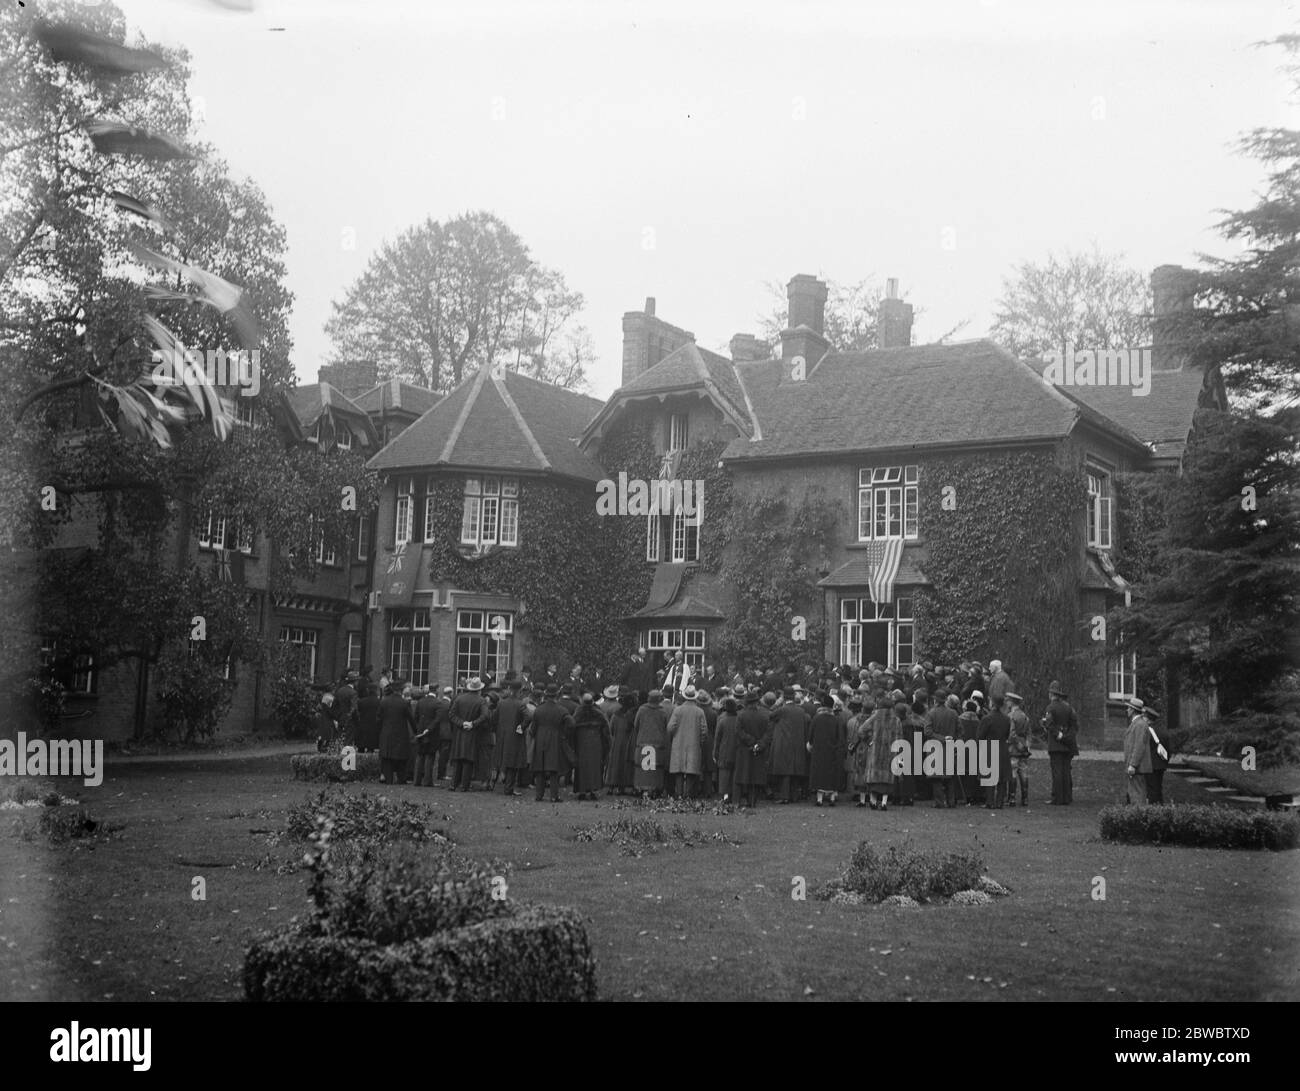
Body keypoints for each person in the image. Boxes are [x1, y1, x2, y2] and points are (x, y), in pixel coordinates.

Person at [529, 683, 575, 803]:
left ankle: (539, 795)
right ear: (557, 695)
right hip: (555, 739)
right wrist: (564, 733)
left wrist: (535, 735)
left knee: (540, 768)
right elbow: (571, 724)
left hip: (540, 738)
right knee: (554, 768)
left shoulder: (539, 709)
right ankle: (554, 796)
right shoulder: (561, 710)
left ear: (546, 695)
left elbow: (532, 729)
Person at [861, 695, 904, 810]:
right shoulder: (897, 720)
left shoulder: (875, 717)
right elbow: (900, 738)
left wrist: (869, 741)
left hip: (875, 751)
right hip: (891, 752)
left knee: (873, 780)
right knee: (887, 780)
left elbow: (862, 730)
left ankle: (873, 801)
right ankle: (884, 802)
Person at [768, 687, 810, 804]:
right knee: (795, 772)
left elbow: (770, 715)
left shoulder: (782, 710)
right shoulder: (801, 711)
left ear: (784, 698)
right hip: (798, 744)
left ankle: (784, 796)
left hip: (784, 744)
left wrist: (777, 703)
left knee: (785, 772)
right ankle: (794, 796)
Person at [667, 686, 709, 799]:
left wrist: (675, 737)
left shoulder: (678, 710)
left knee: (679, 771)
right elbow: (704, 731)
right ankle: (688, 795)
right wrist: (700, 741)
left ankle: (679, 794)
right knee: (691, 771)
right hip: (694, 744)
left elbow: (670, 728)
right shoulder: (700, 712)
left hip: (679, 744)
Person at [734, 689, 772, 808]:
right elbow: (768, 733)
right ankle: (752, 801)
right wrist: (759, 744)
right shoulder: (764, 715)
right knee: (755, 777)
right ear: (756, 702)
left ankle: (738, 800)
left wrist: (750, 741)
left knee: (742, 775)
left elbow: (739, 732)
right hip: (758, 750)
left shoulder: (741, 715)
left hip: (744, 749)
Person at [448, 677, 488, 792]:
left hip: (459, 733)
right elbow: (485, 715)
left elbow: (451, 714)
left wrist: (461, 723)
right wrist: (473, 724)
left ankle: (453, 784)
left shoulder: (459, 699)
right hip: (472, 733)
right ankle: (464, 785)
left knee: (458, 759)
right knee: (468, 760)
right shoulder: (481, 701)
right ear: (479, 689)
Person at [1044, 680, 1079, 805]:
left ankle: (1057, 798)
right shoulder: (1069, 707)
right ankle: (1067, 797)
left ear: (1051, 694)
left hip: (1055, 744)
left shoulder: (1050, 707)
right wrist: (1066, 736)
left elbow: (1049, 724)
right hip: (1068, 743)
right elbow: (1075, 725)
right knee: (1066, 771)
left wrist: (1058, 734)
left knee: (1057, 772)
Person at [808, 692, 846, 806]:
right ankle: (832, 797)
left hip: (819, 750)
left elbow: (810, 736)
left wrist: (811, 744)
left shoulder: (816, 718)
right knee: (832, 774)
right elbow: (841, 738)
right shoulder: (837, 720)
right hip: (833, 751)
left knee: (819, 773)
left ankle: (819, 799)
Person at [493, 679, 530, 796]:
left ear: (509, 689)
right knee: (513, 763)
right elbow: (528, 717)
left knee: (503, 759)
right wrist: (521, 727)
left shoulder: (501, 703)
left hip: (502, 736)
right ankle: (509, 788)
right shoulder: (521, 704)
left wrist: (498, 730)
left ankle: (500, 783)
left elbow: (494, 718)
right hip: (515, 736)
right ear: (519, 691)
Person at [571, 693, 611, 801]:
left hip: (581, 742)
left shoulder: (578, 713)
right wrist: (607, 745)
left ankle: (582, 791)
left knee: (582, 767)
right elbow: (606, 730)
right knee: (595, 766)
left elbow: (571, 728)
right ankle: (594, 790)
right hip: (595, 741)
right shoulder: (599, 713)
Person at [632, 690, 669, 799]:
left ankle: (642, 788)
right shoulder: (662, 712)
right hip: (657, 743)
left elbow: (636, 724)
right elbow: (665, 725)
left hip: (643, 742)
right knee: (655, 768)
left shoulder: (642, 710)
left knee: (643, 768)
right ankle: (654, 788)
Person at [977, 696, 1013, 808]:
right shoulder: (1006, 719)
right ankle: (999, 802)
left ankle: (990, 801)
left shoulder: (987, 719)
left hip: (989, 747)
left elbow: (980, 736)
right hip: (1002, 747)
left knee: (989, 777)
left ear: (992, 703)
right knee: (1002, 777)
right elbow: (1007, 735)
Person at [926, 692, 960, 808]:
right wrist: (952, 739)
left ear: (935, 700)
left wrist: (941, 738)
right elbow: (960, 730)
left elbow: (928, 732)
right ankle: (951, 801)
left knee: (936, 778)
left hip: (935, 747)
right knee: (949, 777)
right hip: (950, 747)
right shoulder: (953, 713)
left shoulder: (931, 713)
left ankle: (939, 802)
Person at [377, 683, 414, 785]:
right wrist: (416, 731)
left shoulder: (384, 702)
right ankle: (401, 779)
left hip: (387, 732)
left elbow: (378, 718)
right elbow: (411, 719)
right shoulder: (404, 703)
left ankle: (388, 779)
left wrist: (382, 729)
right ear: (401, 691)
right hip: (401, 733)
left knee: (387, 757)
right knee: (401, 757)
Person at [605, 687, 639, 795]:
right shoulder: (634, 715)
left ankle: (611, 786)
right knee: (626, 765)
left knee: (615, 764)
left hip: (617, 742)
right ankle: (623, 786)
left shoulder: (616, 714)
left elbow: (611, 729)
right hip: (629, 742)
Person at [1123, 697, 1152, 805]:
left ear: (1133, 710)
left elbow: (1139, 746)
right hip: (1136, 766)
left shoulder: (1139, 724)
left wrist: (1133, 765)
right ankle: (1137, 815)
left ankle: (1139, 816)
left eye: (1128, 708)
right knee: (1134, 793)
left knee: (1138, 794)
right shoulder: (1137, 723)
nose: (1127, 710)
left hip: (1138, 767)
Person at [712, 692, 740, 804]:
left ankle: (725, 796)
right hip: (737, 751)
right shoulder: (739, 719)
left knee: (724, 776)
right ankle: (735, 796)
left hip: (724, 751)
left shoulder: (722, 720)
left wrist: (715, 753)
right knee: (734, 775)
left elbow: (717, 738)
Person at [413, 684, 443, 787]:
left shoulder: (421, 701)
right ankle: (427, 781)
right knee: (430, 757)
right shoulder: (438, 703)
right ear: (437, 691)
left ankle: (416, 780)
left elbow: (415, 717)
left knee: (420, 756)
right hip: (432, 734)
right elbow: (438, 719)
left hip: (420, 732)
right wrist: (429, 729)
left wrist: (420, 729)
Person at [1005, 692, 1031, 807]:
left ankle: (1012, 798)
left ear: (1011, 702)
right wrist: (1026, 745)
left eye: (1008, 700)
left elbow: (1011, 734)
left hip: (1014, 748)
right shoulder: (1025, 716)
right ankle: (1025, 798)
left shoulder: (1011, 716)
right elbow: (1029, 734)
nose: (1007, 702)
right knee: (1024, 773)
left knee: (1013, 772)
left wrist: (1016, 744)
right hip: (1024, 747)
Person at [957, 698, 983, 805]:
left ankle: (963, 795)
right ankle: (972, 795)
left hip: (962, 748)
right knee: (972, 773)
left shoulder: (960, 720)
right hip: (975, 749)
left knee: (962, 772)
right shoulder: (979, 722)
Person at [1144, 707, 1171, 803]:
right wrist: (1164, 762)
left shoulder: (1147, 731)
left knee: (1151, 790)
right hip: (1161, 765)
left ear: (1147, 718)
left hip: (1150, 765)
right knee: (1158, 788)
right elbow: (1168, 750)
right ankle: (1161, 809)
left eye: (1144, 717)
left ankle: (1153, 811)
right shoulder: (1163, 731)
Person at [433, 685, 455, 780]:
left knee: (441, 754)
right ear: (450, 693)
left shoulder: (440, 703)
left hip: (439, 731)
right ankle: (442, 773)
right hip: (447, 732)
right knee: (444, 755)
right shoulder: (449, 705)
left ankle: (440, 773)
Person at [355, 681, 381, 753]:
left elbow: (357, 713)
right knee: (371, 750)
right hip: (374, 728)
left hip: (363, 727)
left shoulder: (361, 701)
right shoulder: (379, 702)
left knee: (360, 750)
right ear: (376, 691)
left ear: (367, 690)